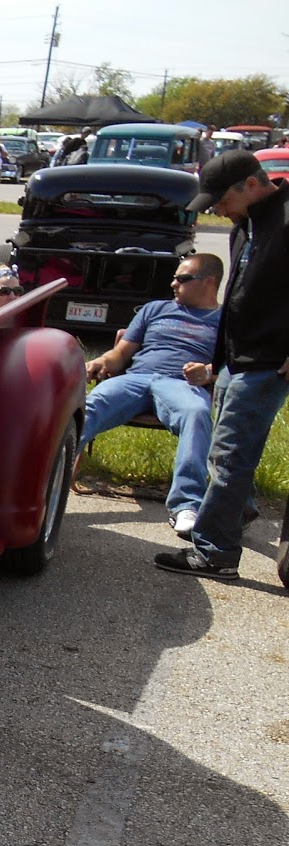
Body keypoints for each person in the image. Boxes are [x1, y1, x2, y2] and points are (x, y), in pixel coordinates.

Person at [155, 151, 289, 579]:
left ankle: (215, 551)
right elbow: (237, 293)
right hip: (237, 358)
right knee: (226, 453)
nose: (215, 209)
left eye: (220, 200)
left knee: (230, 458)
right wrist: (217, 364)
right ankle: (238, 513)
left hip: (269, 361)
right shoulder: (245, 224)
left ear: (251, 185)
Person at [79, 253, 224, 534]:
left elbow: (230, 367)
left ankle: (186, 506)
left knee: (197, 414)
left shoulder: (223, 321)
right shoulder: (154, 309)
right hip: (136, 378)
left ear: (209, 282)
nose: (173, 283)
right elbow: (120, 354)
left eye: (182, 279)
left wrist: (208, 372)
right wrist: (100, 362)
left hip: (182, 385)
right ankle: (42, 479)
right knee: (88, 406)